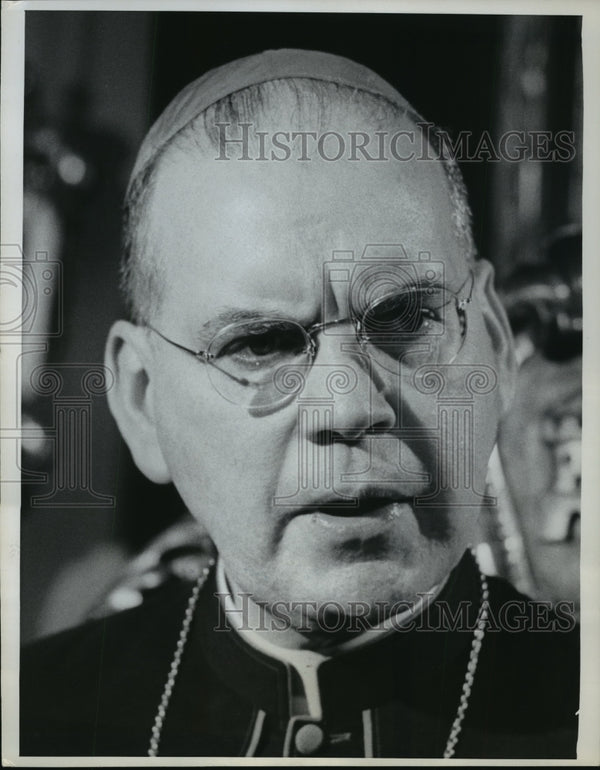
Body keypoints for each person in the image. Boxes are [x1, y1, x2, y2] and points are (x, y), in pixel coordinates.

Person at [20, 49, 579, 759]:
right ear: (141, 400)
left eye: (405, 319)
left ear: (495, 347)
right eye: (261, 344)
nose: (348, 410)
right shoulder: (36, 719)